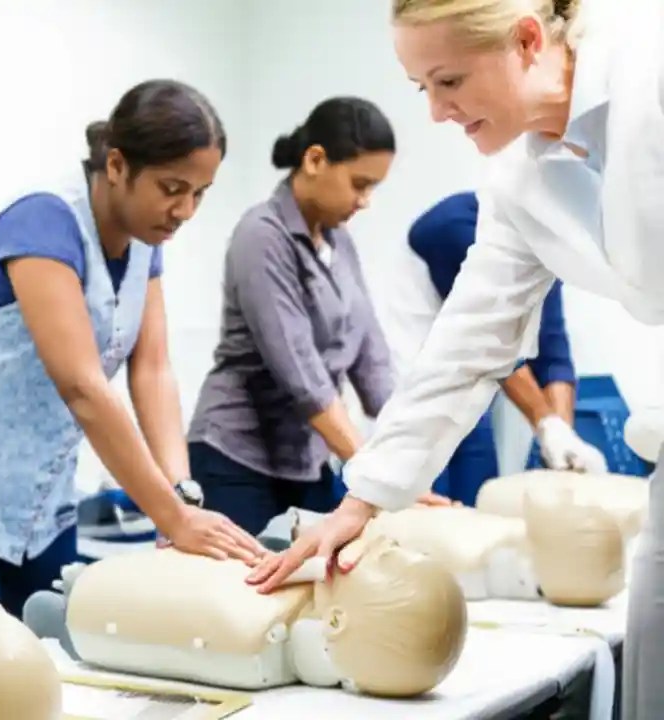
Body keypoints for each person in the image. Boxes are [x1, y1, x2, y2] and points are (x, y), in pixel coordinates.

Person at [243, 0, 663, 716]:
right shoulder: (517, 182)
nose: (437, 112)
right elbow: (471, 341)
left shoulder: (649, 75)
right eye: (422, 90)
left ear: (527, 41)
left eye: (449, 81)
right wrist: (363, 498)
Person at [0, 79, 265, 618]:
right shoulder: (44, 223)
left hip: (37, 511)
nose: (185, 209)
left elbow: (151, 370)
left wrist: (181, 494)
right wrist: (171, 519)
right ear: (118, 165)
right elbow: (81, 386)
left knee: (55, 666)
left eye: (199, 193)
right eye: (172, 188)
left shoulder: (146, 244)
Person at [185, 97, 401, 535]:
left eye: (373, 188)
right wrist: (374, 474)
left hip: (308, 461)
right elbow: (302, 374)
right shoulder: (262, 236)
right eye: (359, 184)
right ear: (315, 159)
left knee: (317, 587)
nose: (365, 201)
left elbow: (371, 356)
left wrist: (407, 453)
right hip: (237, 458)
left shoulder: (340, 243)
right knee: (242, 594)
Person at [405, 191, 605, 504]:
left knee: (477, 507)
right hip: (410, 394)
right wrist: (545, 423)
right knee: (424, 520)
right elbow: (487, 342)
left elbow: (551, 349)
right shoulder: (455, 227)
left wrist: (563, 439)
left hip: (468, 394)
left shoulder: (545, 252)